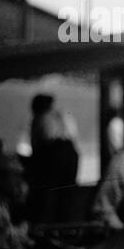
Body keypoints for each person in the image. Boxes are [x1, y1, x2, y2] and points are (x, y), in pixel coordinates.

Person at [26, 93, 80, 223]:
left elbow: (37, 145)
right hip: (69, 154)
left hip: (51, 155)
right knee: (66, 194)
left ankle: (49, 225)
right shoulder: (63, 116)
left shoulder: (40, 118)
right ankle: (65, 225)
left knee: (47, 195)